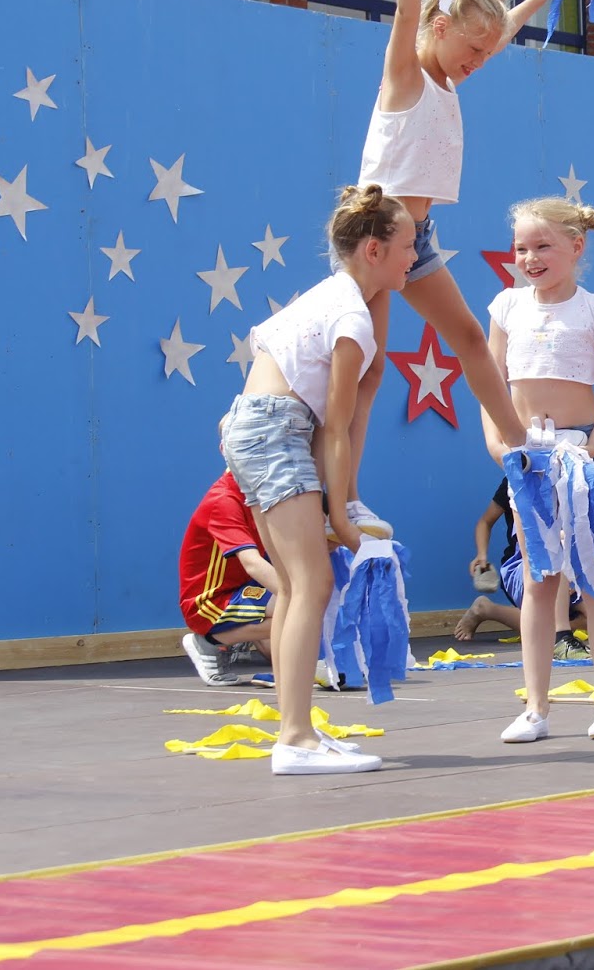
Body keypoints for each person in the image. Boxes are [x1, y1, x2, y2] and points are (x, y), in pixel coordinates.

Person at [342, 0, 553, 537]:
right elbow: (406, 14)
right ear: (439, 27)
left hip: (415, 240)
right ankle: (347, 497)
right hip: (376, 238)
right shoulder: (405, 74)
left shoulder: (449, 78)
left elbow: (497, 28)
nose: (480, 61)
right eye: (473, 50)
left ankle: (518, 449)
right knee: (370, 369)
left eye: (487, 54)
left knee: (467, 336)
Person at [220, 184, 414, 775]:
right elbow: (335, 425)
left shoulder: (334, 296)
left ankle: (294, 731)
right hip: (277, 433)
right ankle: (296, 740)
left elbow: (347, 399)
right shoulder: (350, 318)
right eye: (410, 244)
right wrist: (340, 512)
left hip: (254, 427)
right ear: (375, 250)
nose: (417, 256)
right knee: (311, 587)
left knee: (291, 585)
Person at [484, 197, 594, 743]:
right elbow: (491, 381)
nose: (531, 257)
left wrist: (592, 446)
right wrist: (500, 445)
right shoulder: (506, 307)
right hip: (527, 460)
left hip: (581, 458)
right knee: (538, 580)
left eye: (543, 246)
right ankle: (536, 708)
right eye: (522, 248)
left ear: (576, 247)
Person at [453, 479, 591, 659]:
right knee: (548, 618)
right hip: (524, 566)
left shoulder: (575, 477)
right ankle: (486, 609)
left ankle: (555, 628)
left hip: (569, 569)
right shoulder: (519, 479)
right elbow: (485, 522)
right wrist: (481, 555)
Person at [177, 471, 278, 685]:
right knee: (297, 605)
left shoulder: (263, 492)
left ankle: (240, 637)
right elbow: (252, 563)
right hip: (208, 602)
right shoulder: (223, 501)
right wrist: (300, 595)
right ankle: (209, 641)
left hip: (244, 588)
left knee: (297, 614)